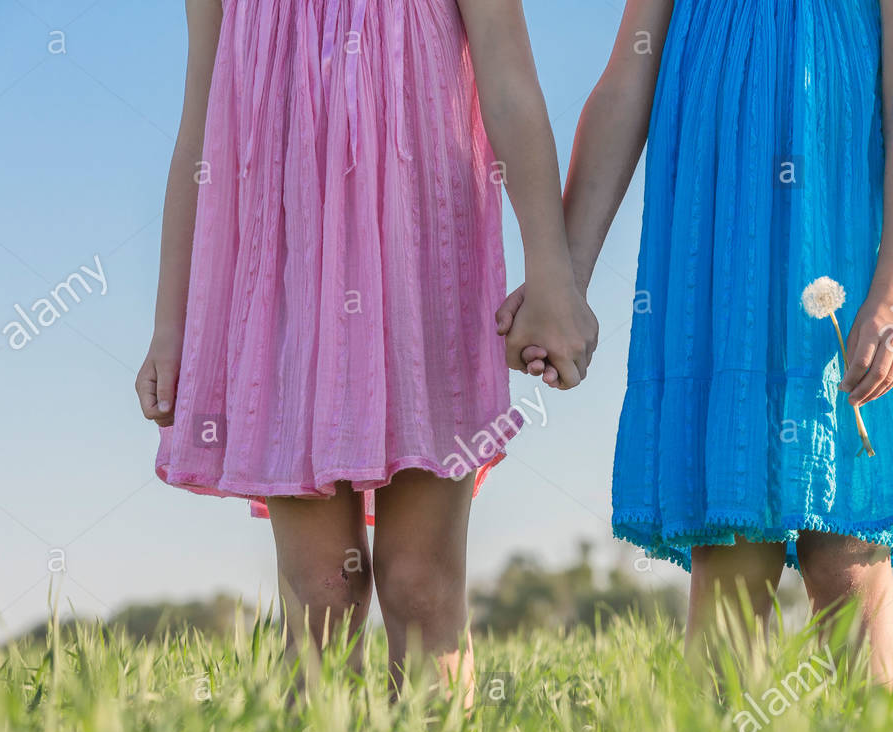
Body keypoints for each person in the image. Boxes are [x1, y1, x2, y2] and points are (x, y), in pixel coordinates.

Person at [137, 0, 597, 695]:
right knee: (321, 592)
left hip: (422, 269)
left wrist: (553, 273)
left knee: (421, 584)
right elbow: (201, 125)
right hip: (284, 284)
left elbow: (508, 82)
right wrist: (171, 326)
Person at [499, 0, 893, 687]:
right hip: (720, 241)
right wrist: (564, 280)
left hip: (841, 238)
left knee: (846, 551)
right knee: (731, 546)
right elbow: (626, 80)